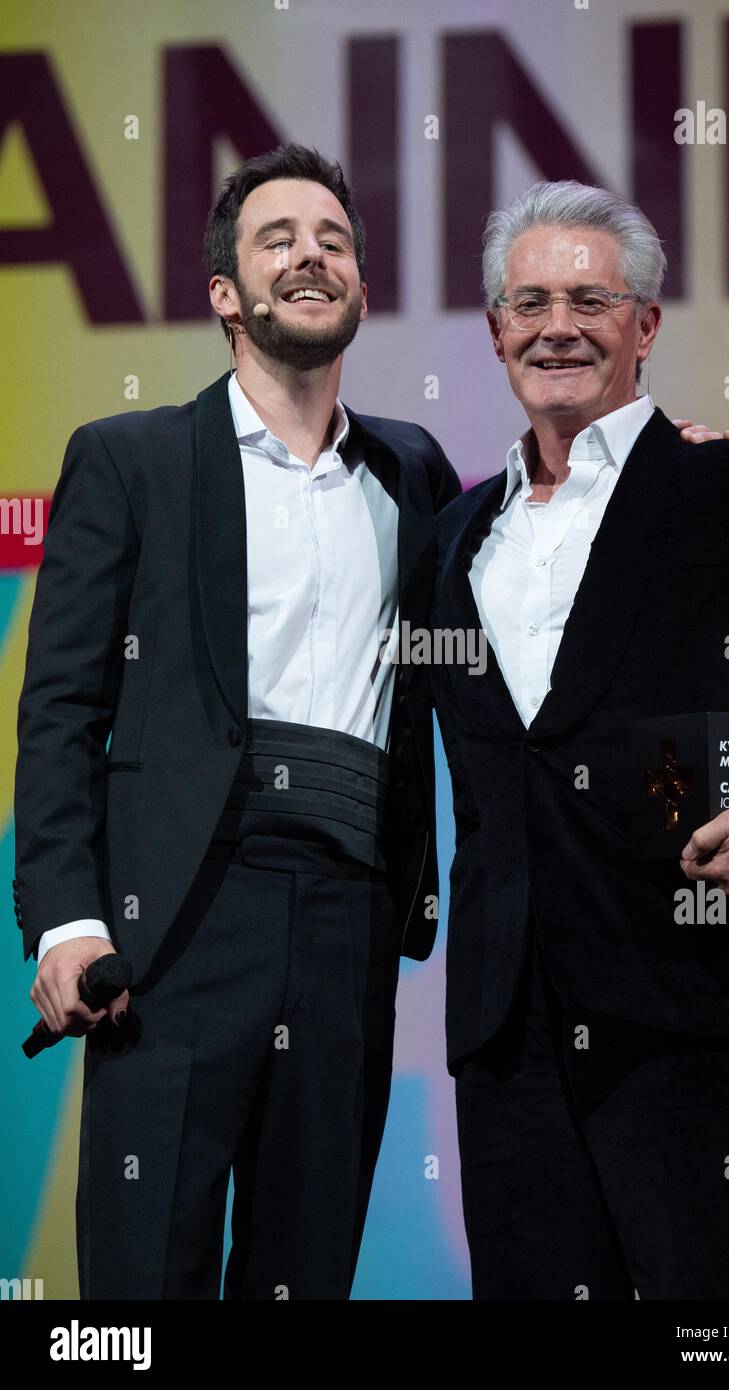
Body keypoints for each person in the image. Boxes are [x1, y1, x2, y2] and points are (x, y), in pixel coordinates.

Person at [13, 142, 462, 1300]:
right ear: (226, 294)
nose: (311, 255)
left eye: (334, 240)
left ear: (361, 288)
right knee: (142, 1285)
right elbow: (62, 705)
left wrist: (670, 468)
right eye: (278, 240)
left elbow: (524, 564)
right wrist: (63, 918)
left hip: (350, 920)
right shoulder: (131, 460)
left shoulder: (417, 473)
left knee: (303, 1272)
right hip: (173, 919)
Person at [431, 180, 729, 1300]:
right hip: (506, 1030)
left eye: (589, 297)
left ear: (644, 325)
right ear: (492, 330)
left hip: (689, 999)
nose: (555, 325)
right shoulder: (448, 537)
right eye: (526, 302)